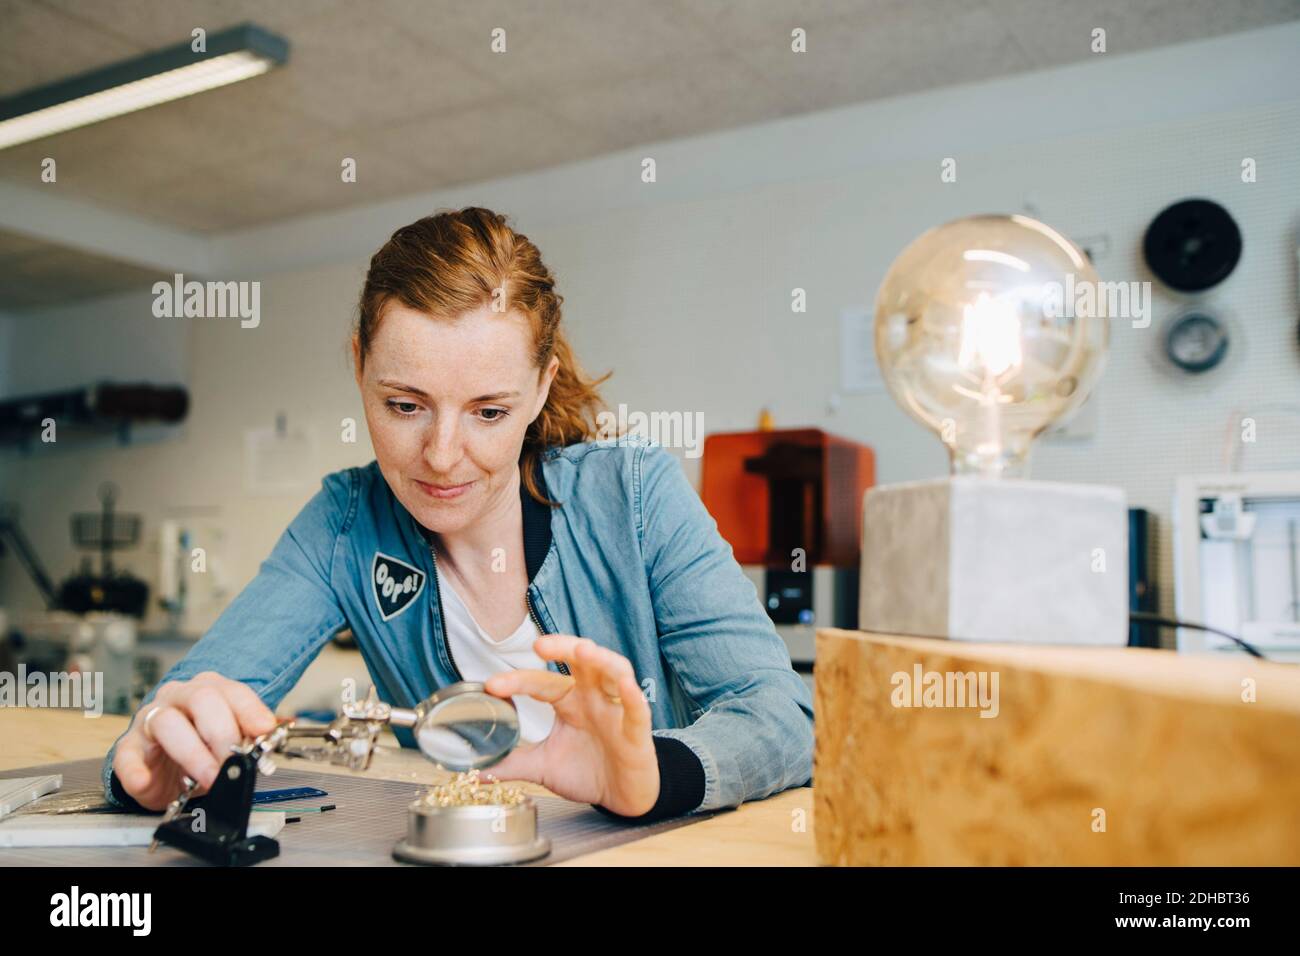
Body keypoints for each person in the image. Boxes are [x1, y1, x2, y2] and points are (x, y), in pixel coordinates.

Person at [104, 206, 814, 822]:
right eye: (404, 406)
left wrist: (649, 778)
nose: (442, 456)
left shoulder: (635, 496)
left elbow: (780, 719)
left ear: (541, 388)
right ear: (359, 367)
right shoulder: (343, 524)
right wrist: (151, 751)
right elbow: (186, 703)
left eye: (489, 412)